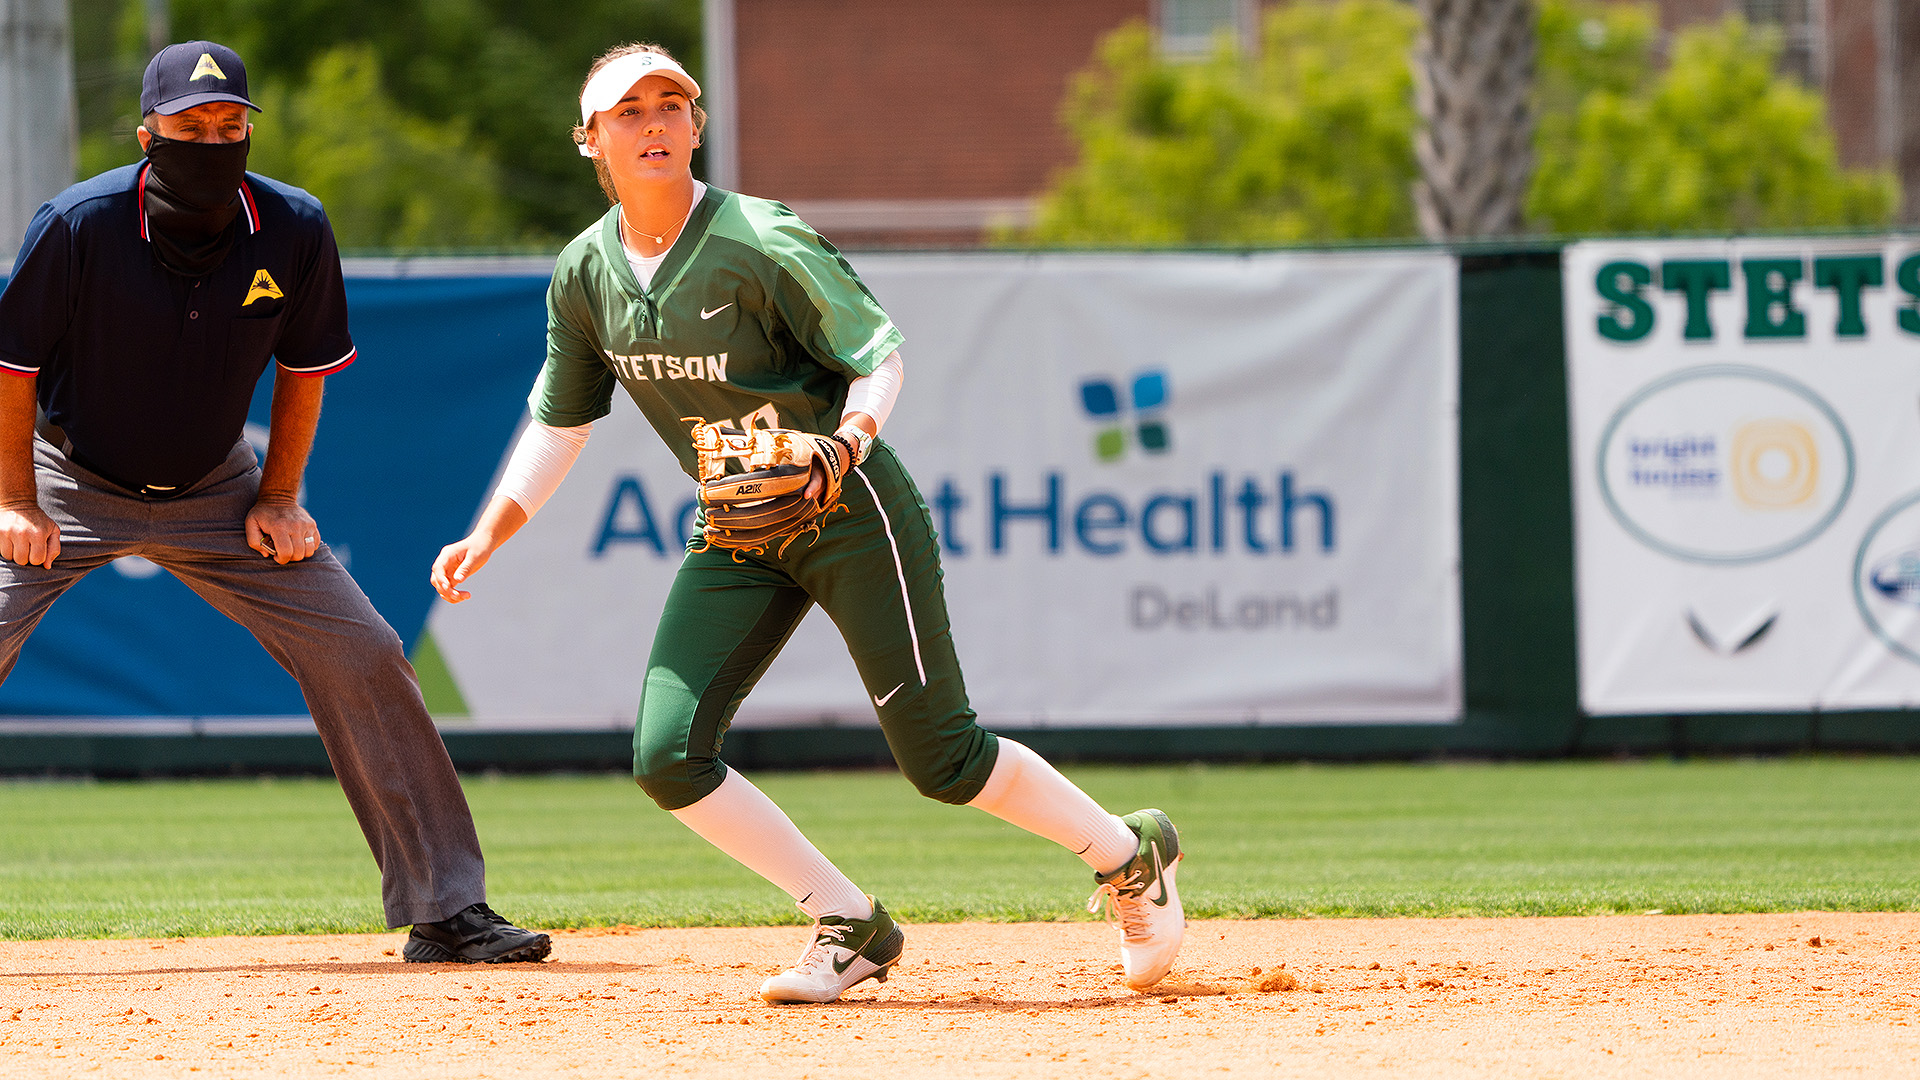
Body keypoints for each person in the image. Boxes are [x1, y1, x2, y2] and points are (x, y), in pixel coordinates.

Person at [430, 42, 1184, 1003]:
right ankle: (849, 923)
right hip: (738, 527)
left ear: (696, 125)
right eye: (628, 112)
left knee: (942, 759)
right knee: (666, 755)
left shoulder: (758, 238)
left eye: (672, 104)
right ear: (591, 142)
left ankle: (1131, 857)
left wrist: (848, 441)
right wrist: (489, 532)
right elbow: (562, 418)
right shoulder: (585, 273)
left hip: (846, 508)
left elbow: (880, 355)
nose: (654, 122)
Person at [0, 40, 549, 964]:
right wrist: (16, 500)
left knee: (365, 650)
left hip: (219, 489)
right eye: (188, 126)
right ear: (149, 134)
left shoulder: (293, 227)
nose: (210, 140)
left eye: (229, 126)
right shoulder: (80, 223)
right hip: (69, 480)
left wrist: (282, 494)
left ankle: (447, 910)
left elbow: (304, 370)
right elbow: (11, 371)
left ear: (249, 129)